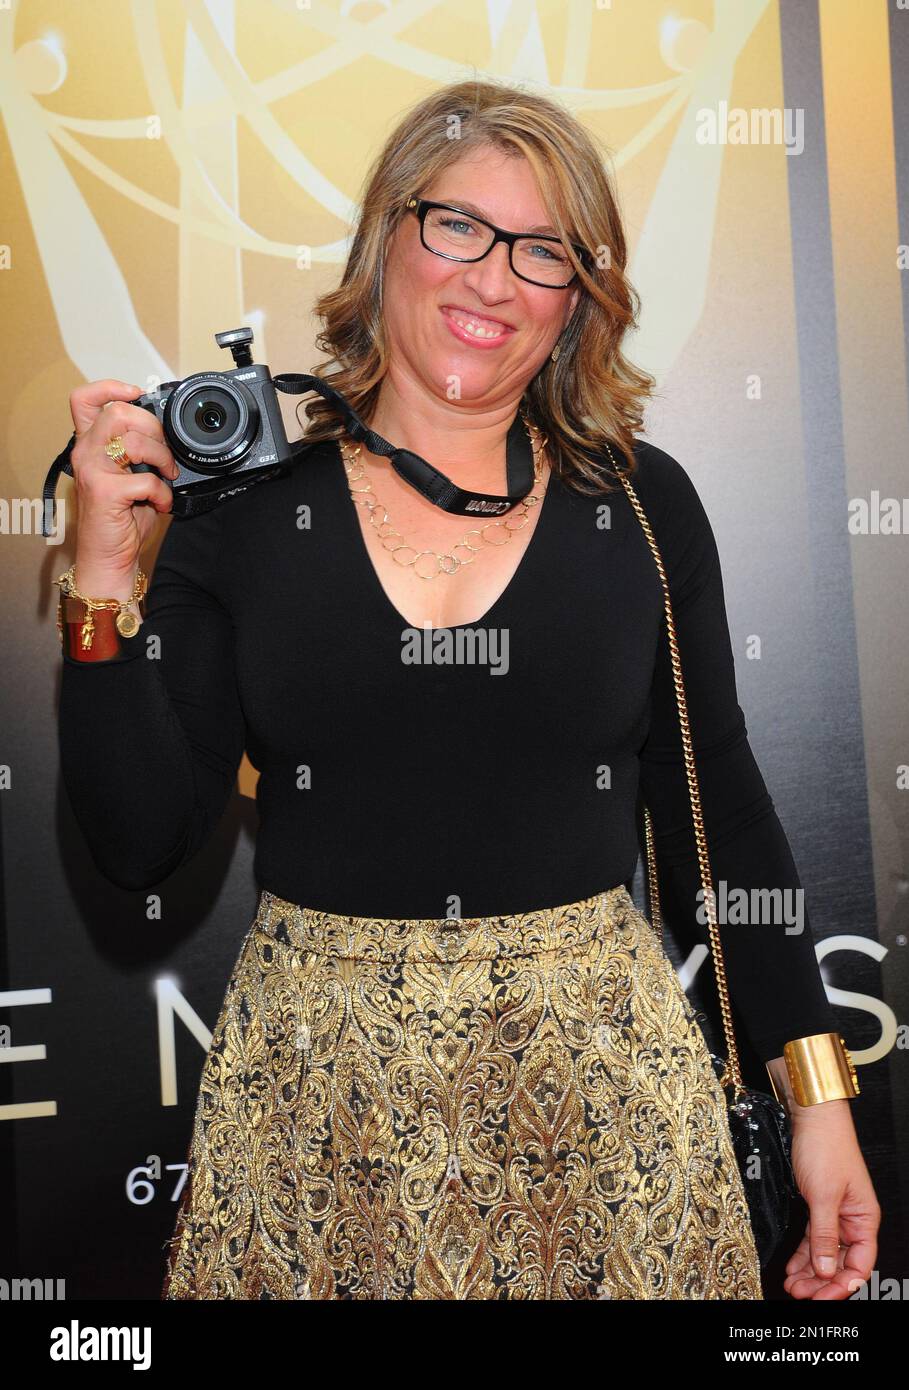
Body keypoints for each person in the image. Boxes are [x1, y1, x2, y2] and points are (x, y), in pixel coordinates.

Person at [55, 78, 878, 1301]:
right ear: (388, 234)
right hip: (317, 1135)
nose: (492, 280)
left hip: (609, 1124)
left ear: (578, 301)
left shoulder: (642, 505)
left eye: (543, 250)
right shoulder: (244, 511)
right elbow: (138, 841)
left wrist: (816, 1098)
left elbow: (724, 814)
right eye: (458, 227)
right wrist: (104, 588)